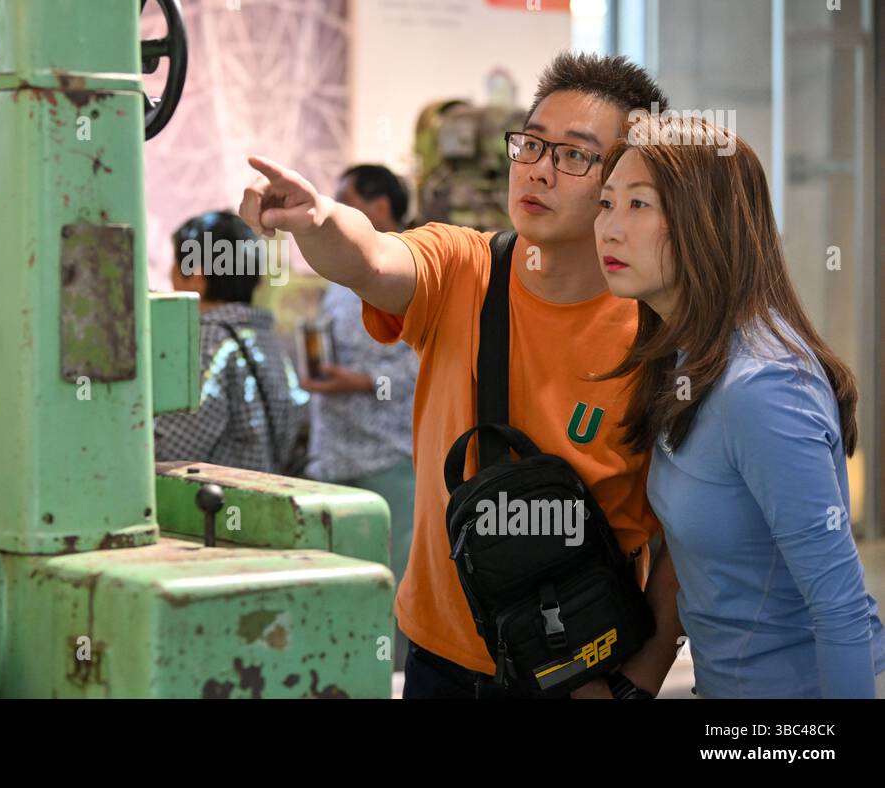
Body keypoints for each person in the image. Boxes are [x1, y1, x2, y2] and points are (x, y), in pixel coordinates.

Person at [240, 51, 682, 698]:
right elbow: (371, 257)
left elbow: (684, 535)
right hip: (440, 661)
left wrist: (640, 683)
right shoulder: (464, 268)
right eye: (531, 144)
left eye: (575, 155)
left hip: (583, 667)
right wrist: (318, 220)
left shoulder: (661, 330)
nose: (539, 170)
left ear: (629, 179)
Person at [595, 114, 885, 698]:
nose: (609, 229)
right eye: (606, 203)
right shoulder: (682, 357)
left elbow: (840, 607)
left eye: (640, 205)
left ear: (708, 222)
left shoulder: (764, 388)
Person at [302, 164, 420, 666]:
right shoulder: (342, 273)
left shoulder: (412, 271)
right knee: (346, 592)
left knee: (393, 593)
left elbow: (424, 365)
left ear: (379, 208)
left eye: (345, 197)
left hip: (387, 460)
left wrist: (365, 383)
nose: (336, 206)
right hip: (336, 461)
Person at [154, 210, 309, 473]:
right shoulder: (264, 336)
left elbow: (169, 448)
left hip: (215, 506)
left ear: (197, 278)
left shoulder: (205, 341)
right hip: (261, 496)